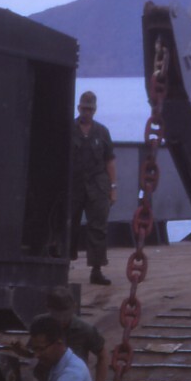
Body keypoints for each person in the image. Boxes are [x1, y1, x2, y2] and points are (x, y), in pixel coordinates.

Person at [31, 287, 108, 381]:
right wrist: (23, 351)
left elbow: (103, 355)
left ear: (74, 308)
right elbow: (35, 352)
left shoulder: (85, 330)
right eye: (57, 314)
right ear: (48, 309)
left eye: (65, 314)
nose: (61, 319)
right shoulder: (40, 324)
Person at [70, 90, 117, 285]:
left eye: (90, 109)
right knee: (68, 226)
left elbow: (110, 161)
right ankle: (62, 267)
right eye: (83, 108)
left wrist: (113, 188)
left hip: (97, 185)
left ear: (95, 110)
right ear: (78, 108)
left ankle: (96, 270)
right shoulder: (69, 129)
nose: (86, 112)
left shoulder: (102, 132)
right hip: (73, 185)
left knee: (98, 227)